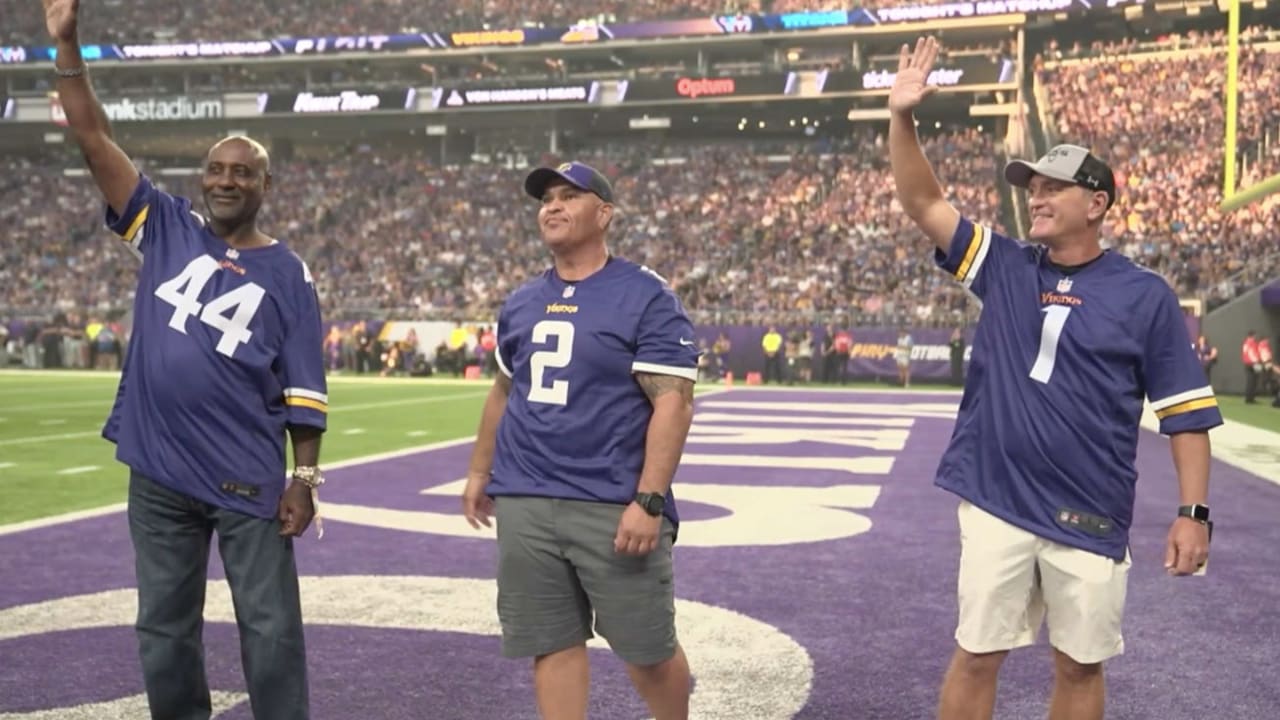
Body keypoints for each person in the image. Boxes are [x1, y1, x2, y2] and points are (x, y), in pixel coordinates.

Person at [888, 37, 1222, 720]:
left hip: (1089, 507)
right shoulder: (1005, 265)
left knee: (1078, 666)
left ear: (1096, 203)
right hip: (997, 498)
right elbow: (924, 203)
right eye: (1032, 188)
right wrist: (902, 118)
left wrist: (1193, 514)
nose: (1034, 199)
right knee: (976, 653)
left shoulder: (1145, 295)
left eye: (1051, 188)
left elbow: (1185, 416)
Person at [42, 2, 328, 719]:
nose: (227, 179)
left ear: (265, 186)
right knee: (163, 627)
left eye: (243, 172)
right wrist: (69, 45)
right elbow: (91, 135)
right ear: (203, 179)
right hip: (160, 470)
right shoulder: (167, 226)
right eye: (216, 169)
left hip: (246, 476)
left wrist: (304, 478)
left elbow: (304, 387)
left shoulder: (289, 274)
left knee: (268, 626)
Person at [461, 161, 698, 720]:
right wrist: (479, 472)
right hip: (526, 498)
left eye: (570, 195)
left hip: (610, 502)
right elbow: (502, 392)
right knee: (552, 640)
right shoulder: (521, 300)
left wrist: (649, 499)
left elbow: (674, 401)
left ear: (605, 213)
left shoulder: (645, 295)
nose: (552, 206)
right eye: (546, 198)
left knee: (648, 652)